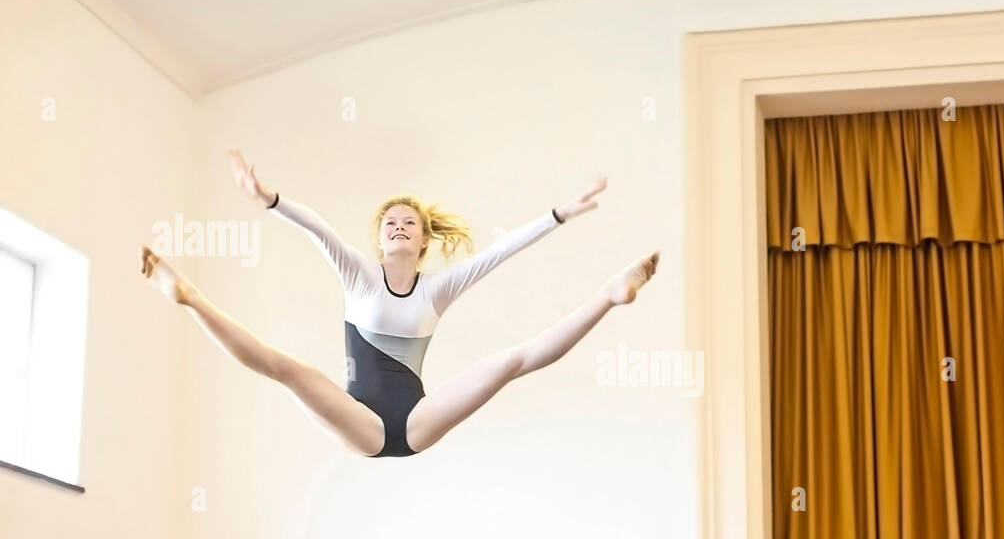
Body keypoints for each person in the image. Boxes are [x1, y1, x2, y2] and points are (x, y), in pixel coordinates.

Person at [140, 150, 658, 457]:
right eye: (390, 222)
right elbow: (319, 231)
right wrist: (267, 199)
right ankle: (187, 297)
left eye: (410, 221)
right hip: (360, 422)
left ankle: (609, 296)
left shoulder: (438, 287)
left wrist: (560, 214)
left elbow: (502, 251)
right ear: (380, 240)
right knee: (285, 367)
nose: (399, 226)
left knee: (509, 363)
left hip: (415, 422)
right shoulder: (359, 277)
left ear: (423, 241)